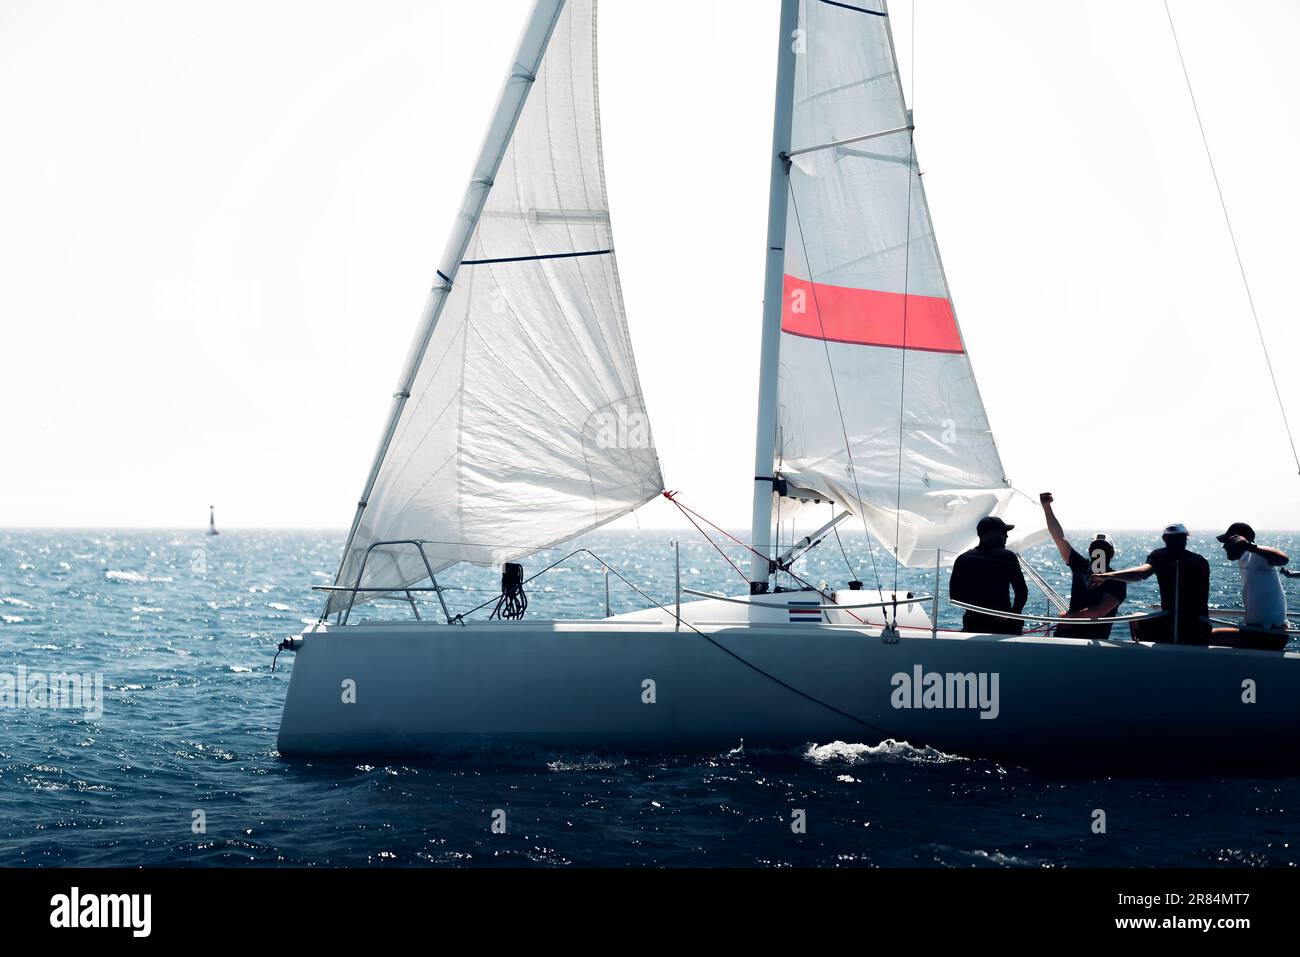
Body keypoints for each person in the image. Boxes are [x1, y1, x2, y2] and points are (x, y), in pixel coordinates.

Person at [1091, 523, 1211, 645]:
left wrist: (1107, 576)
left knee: (1136, 618)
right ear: (1186, 537)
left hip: (1169, 628)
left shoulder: (1160, 556)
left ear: (1164, 539)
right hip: (1199, 629)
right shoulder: (1201, 561)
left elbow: (1143, 573)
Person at [1038, 492, 1126, 639]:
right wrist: (1046, 507)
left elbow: (1099, 612)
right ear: (1112, 554)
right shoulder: (1117, 579)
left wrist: (1068, 617)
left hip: (1092, 644)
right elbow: (1059, 537)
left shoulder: (1116, 580)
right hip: (1069, 638)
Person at [1211, 522, 1290, 651]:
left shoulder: (1257, 556)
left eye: (1227, 542)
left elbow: (1284, 560)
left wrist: (1249, 546)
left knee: (1206, 637)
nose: (1224, 546)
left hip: (1268, 635)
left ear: (1239, 542)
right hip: (1256, 632)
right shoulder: (1244, 559)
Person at [949, 516, 1028, 634]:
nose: (1006, 536)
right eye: (1003, 532)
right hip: (1004, 626)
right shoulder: (1007, 556)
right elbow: (1022, 591)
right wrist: (1012, 614)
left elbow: (955, 596)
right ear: (990, 534)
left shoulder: (963, 559)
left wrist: (979, 612)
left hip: (974, 624)